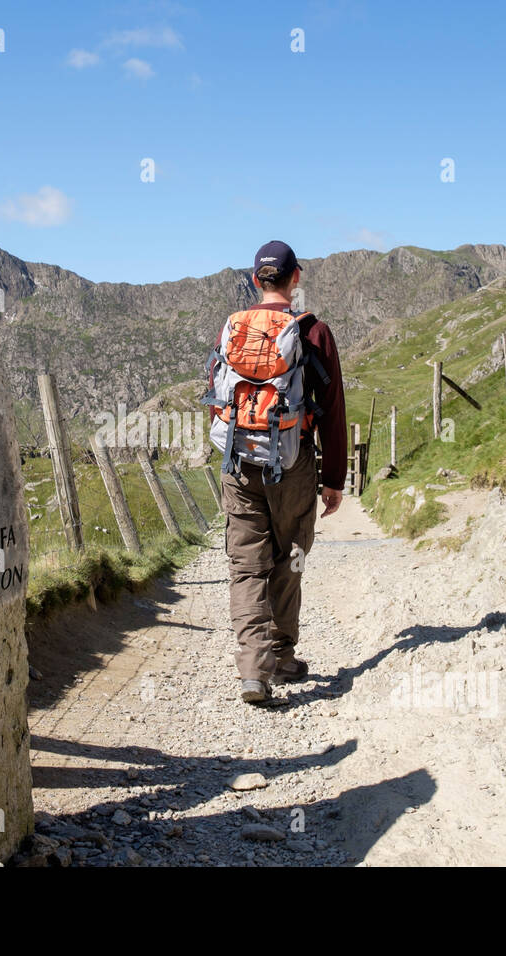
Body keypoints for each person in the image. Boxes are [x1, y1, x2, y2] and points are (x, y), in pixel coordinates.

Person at [206, 240, 346, 704]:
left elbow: (217, 393)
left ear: (254, 280)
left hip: (239, 458)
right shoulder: (314, 332)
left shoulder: (234, 330)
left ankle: (253, 670)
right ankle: (282, 657)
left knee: (246, 566)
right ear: (296, 278)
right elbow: (332, 410)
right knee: (290, 557)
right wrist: (333, 479)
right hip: (293, 461)